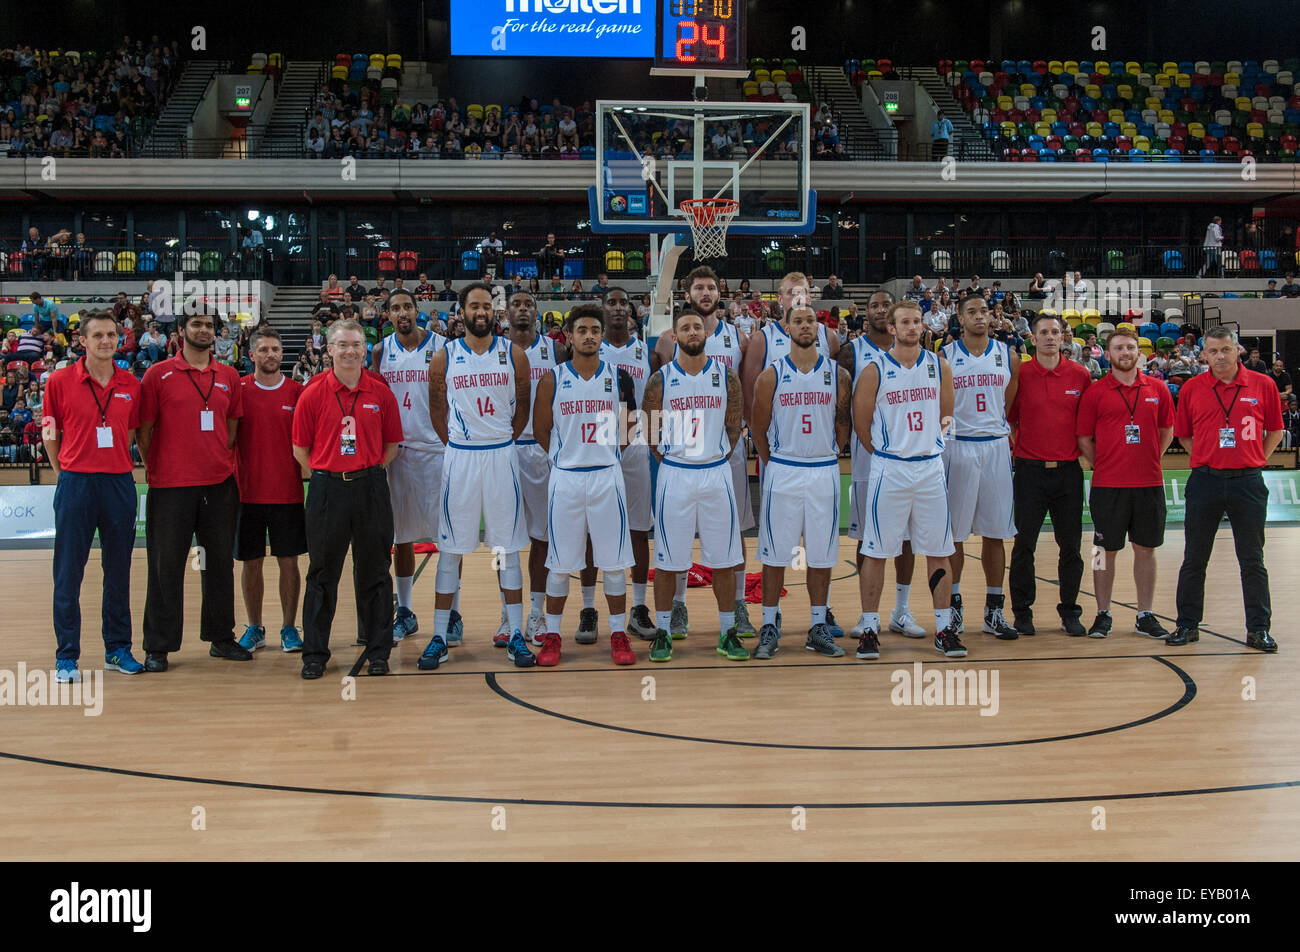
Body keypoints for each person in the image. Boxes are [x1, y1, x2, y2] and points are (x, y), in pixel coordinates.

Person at [417, 282, 536, 670]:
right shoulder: (444, 357)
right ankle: (438, 635)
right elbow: (437, 410)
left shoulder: (513, 354)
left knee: (507, 550)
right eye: (474, 306)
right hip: (462, 459)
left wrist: (501, 438)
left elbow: (523, 408)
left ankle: (515, 633)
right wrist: (456, 443)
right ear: (462, 311)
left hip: (502, 456)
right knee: (450, 550)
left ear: (494, 312)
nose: (481, 312)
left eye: (487, 306)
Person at [851, 301, 964, 660]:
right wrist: (888, 451)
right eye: (905, 322)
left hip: (930, 468)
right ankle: (870, 628)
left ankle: (944, 629)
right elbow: (861, 423)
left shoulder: (938, 365)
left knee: (939, 550)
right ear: (893, 329)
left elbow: (947, 414)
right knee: (877, 550)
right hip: (891, 468)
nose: (912, 327)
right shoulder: (875, 369)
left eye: (917, 321)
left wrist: (928, 445)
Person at [137, 312, 250, 672]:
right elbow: (145, 432)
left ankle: (221, 637)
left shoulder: (229, 375)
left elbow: (231, 427)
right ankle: (159, 646)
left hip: (218, 485)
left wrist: (215, 458)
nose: (203, 330)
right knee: (165, 567)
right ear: (180, 332)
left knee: (218, 564)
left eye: (208, 325)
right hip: (170, 486)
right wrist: (159, 466)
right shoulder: (158, 375)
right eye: (196, 325)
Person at [291, 320, 403, 678]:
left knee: (375, 572)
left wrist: (363, 471)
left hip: (371, 487)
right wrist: (330, 472)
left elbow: (392, 446)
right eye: (343, 345)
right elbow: (300, 449)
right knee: (323, 573)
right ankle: (314, 653)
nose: (350, 351)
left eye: (356, 344)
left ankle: (378, 650)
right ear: (330, 350)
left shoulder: (380, 392)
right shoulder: (312, 392)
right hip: (327, 490)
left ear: (363, 349)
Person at [531, 304, 637, 666]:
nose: (589, 335)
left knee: (613, 563)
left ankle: (619, 634)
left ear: (602, 335)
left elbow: (629, 428)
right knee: (560, 564)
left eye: (595, 329)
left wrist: (604, 454)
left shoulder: (619, 377)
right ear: (570, 336)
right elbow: (541, 430)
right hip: (566, 479)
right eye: (582, 330)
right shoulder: (552, 379)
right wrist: (568, 456)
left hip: (607, 475)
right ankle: (553, 635)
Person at [42, 310, 145, 682]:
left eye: (112, 335)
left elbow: (132, 434)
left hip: (118, 484)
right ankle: (66, 656)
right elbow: (50, 432)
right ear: (81, 341)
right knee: (68, 573)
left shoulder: (132, 383)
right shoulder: (59, 381)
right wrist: (65, 472)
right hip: (76, 483)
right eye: (98, 335)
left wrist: (113, 460)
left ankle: (118, 649)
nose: (106, 341)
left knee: (118, 572)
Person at [655, 266, 757, 638]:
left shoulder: (738, 338)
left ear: (720, 292)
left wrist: (734, 441)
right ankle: (678, 606)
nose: (706, 292)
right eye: (699, 287)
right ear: (688, 293)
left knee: (736, 532)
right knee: (679, 533)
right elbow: (657, 399)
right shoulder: (668, 340)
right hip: (681, 455)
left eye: (712, 287)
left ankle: (740, 606)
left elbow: (743, 395)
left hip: (723, 450)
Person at [641, 308, 747, 663]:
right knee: (670, 561)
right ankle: (663, 631)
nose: (692, 331)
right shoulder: (661, 379)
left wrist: (712, 454)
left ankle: (728, 631)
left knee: (725, 559)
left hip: (716, 472)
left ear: (706, 334)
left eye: (697, 326)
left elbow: (733, 428)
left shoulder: (726, 375)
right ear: (674, 336)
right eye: (684, 327)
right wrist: (673, 457)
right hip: (676, 473)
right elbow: (649, 431)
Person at [1168, 327, 1283, 652]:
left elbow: (1275, 429)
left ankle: (1258, 629)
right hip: (1205, 481)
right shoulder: (1192, 388)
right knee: (1194, 558)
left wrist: (1256, 458)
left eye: (1225, 350)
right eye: (1213, 351)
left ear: (1238, 351)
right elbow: (1184, 435)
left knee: (1252, 559)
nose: (1220, 356)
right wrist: (1207, 458)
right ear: (1204, 354)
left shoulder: (1263, 385)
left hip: (1248, 481)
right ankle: (1187, 625)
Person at [749, 305, 853, 660]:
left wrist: (824, 453)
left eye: (811, 321)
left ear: (820, 330)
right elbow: (758, 429)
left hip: (823, 468)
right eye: (798, 321)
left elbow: (843, 428)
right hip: (784, 469)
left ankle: (817, 627)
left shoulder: (838, 375)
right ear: (787, 328)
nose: (805, 326)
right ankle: (768, 625)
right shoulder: (771, 376)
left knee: (821, 555)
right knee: (775, 554)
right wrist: (775, 461)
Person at [1075, 328, 1175, 639]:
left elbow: (1166, 431)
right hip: (1108, 486)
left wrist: (1148, 459)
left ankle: (1144, 615)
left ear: (1139, 353)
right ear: (1108, 354)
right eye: (1118, 348)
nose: (1125, 352)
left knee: (1146, 549)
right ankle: (1103, 614)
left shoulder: (1158, 389)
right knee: (1103, 551)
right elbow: (1083, 439)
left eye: (1130, 347)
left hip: (1148, 484)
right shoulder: (1095, 392)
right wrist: (1104, 464)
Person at [370, 289, 455, 646]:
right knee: (400, 538)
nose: (402, 313)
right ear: (387, 315)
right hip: (399, 454)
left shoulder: (443, 346)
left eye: (407, 306)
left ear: (417, 311)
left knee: (448, 538)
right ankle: (405, 611)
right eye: (395, 308)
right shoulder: (380, 351)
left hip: (438, 450)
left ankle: (451, 614)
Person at [838, 290, 924, 637]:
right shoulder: (851, 352)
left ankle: (901, 610)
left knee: (906, 538)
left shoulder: (919, 356)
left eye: (885, 305)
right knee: (866, 536)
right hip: (868, 457)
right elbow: (842, 406)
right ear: (866, 313)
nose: (879, 310)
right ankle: (866, 614)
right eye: (873, 305)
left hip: (910, 458)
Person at [1006, 313, 1092, 636]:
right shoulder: (1022, 374)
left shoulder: (1081, 375)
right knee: (1023, 544)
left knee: (1070, 546)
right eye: (1043, 332)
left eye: (1055, 331)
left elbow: (1086, 424)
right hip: (1029, 471)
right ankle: (1021, 612)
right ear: (1033, 338)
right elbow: (1011, 419)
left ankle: (1070, 611)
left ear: (1063, 336)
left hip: (1068, 473)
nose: (1050, 337)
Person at [941, 294, 1021, 639]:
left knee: (996, 532)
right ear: (959, 317)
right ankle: (954, 607)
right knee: (954, 536)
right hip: (957, 447)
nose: (978, 317)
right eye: (971, 312)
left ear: (993, 316)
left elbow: (1009, 399)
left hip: (994, 446)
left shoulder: (1009, 355)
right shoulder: (943, 356)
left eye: (983, 311)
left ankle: (993, 610)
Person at [233, 327, 307, 654]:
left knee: (289, 562)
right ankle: (254, 627)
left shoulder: (297, 392)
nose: (270, 354)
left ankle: (290, 628)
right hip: (246, 495)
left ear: (282, 354)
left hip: (288, 494)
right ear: (251, 355)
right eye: (263, 349)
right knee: (251, 563)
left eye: (275, 349)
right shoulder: (238, 390)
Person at [598, 286, 663, 640]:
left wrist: (655, 445)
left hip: (637, 447)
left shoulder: (647, 354)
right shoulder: (590, 348)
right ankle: (590, 608)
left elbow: (654, 402)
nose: (620, 308)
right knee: (595, 530)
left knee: (639, 529)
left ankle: (638, 607)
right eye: (612, 302)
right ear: (602, 309)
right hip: (599, 446)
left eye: (625, 303)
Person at [502, 289, 562, 646]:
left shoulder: (555, 350)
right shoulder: (494, 350)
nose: (522, 309)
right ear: (506, 312)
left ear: (537, 312)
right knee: (503, 540)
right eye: (516, 304)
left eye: (528, 304)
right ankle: (506, 615)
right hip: (503, 449)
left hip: (541, 449)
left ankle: (536, 614)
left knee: (541, 537)